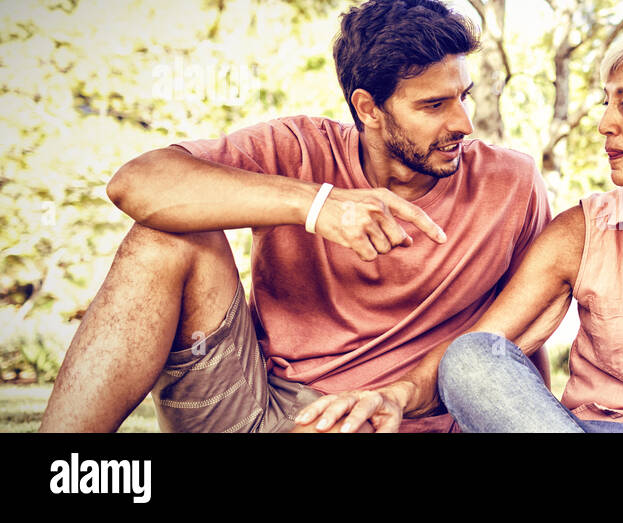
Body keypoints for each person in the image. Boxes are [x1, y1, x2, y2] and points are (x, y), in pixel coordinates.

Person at [40, 0, 552, 433]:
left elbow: (520, 329)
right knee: (164, 236)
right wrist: (315, 205)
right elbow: (134, 182)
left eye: (463, 96)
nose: (463, 122)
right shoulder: (295, 149)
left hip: (389, 417)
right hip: (255, 405)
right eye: (434, 105)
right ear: (369, 108)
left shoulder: (512, 182)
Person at [299, 23, 623, 433]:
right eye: (607, 103)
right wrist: (397, 394)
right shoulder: (582, 231)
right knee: (470, 359)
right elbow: (482, 349)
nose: (605, 123)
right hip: (594, 428)